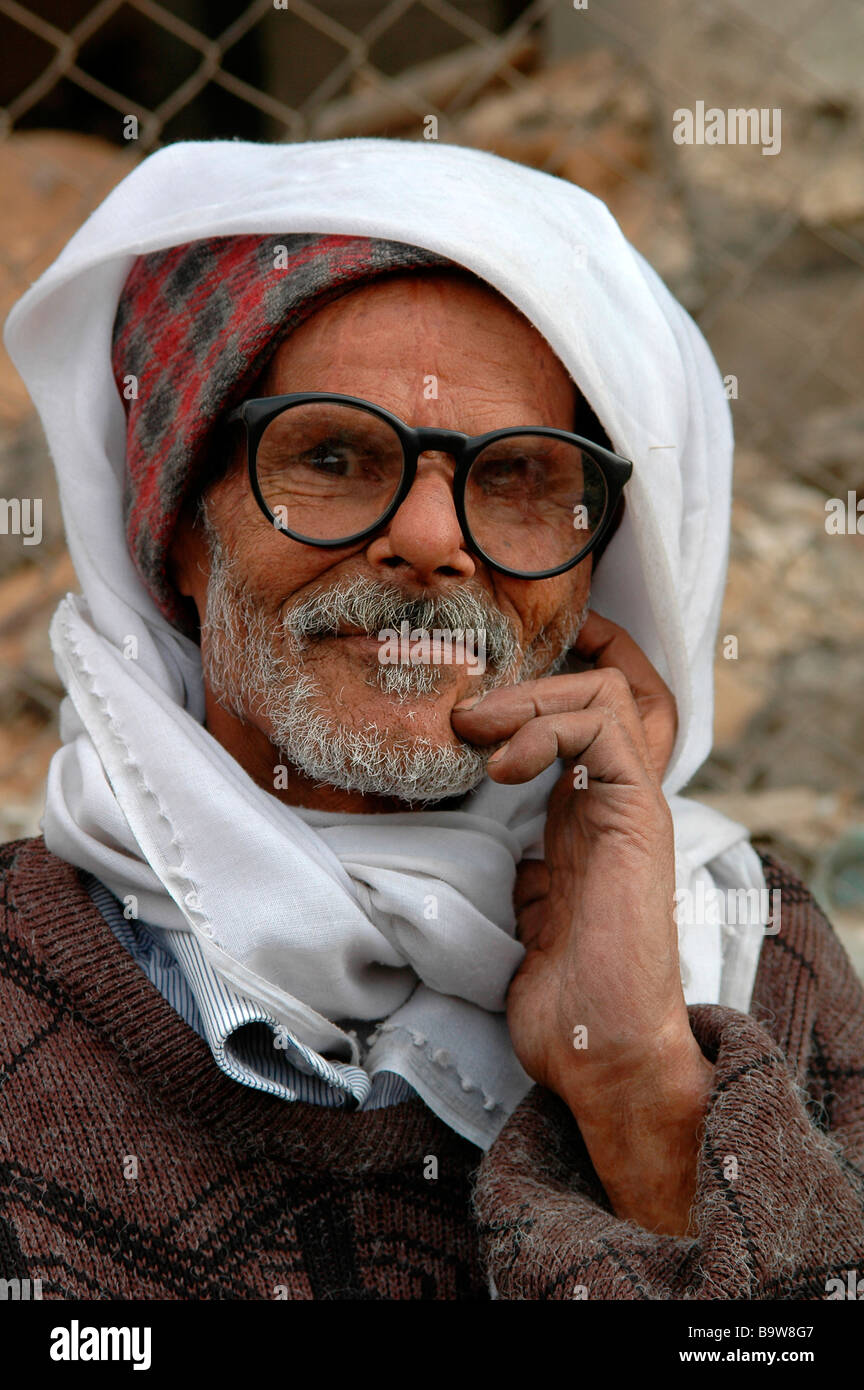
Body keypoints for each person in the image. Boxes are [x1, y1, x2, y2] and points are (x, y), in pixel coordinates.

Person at [2, 138, 862, 1301]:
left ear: (588, 578)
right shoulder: (20, 986)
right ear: (178, 537)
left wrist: (642, 1088)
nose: (428, 537)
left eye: (514, 476)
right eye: (334, 455)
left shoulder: (745, 945)